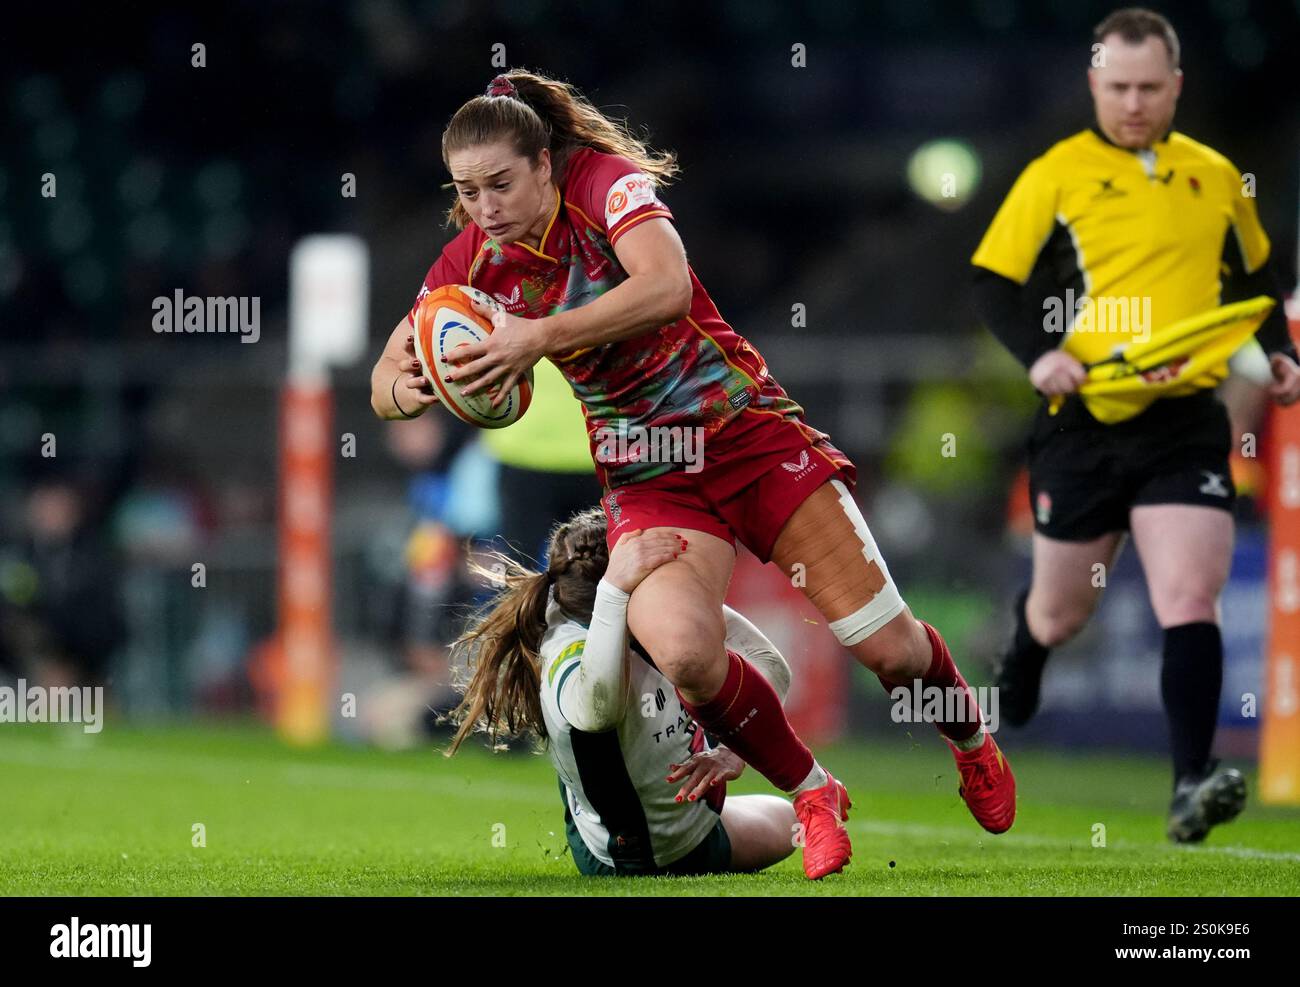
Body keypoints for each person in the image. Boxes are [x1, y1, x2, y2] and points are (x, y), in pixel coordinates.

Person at [370, 70, 1016, 875]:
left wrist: (537, 336)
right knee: (682, 651)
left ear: (545, 163)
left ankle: (969, 738)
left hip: (748, 438)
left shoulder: (606, 186)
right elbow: (384, 384)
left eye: (501, 183)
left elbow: (667, 288)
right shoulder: (471, 261)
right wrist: (421, 384)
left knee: (888, 652)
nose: (485, 206)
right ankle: (814, 792)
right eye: (467, 191)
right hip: (650, 475)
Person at [970, 8, 1300, 842]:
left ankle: (1190, 784)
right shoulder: (1057, 173)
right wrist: (1042, 355)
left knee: (1190, 596)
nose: (1134, 103)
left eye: (1150, 87)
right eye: (1117, 87)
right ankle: (1024, 656)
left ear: (1176, 86)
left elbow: (1258, 272)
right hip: (1083, 425)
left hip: (1183, 421)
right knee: (1059, 617)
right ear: (1094, 84)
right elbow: (994, 283)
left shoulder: (1217, 175)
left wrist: (1279, 352)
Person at [446, 507, 807, 877]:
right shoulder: (565, 650)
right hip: (648, 852)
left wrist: (734, 751)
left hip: (644, 823)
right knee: (794, 825)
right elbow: (597, 715)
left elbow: (768, 663)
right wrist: (616, 593)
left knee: (792, 820)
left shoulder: (567, 605)